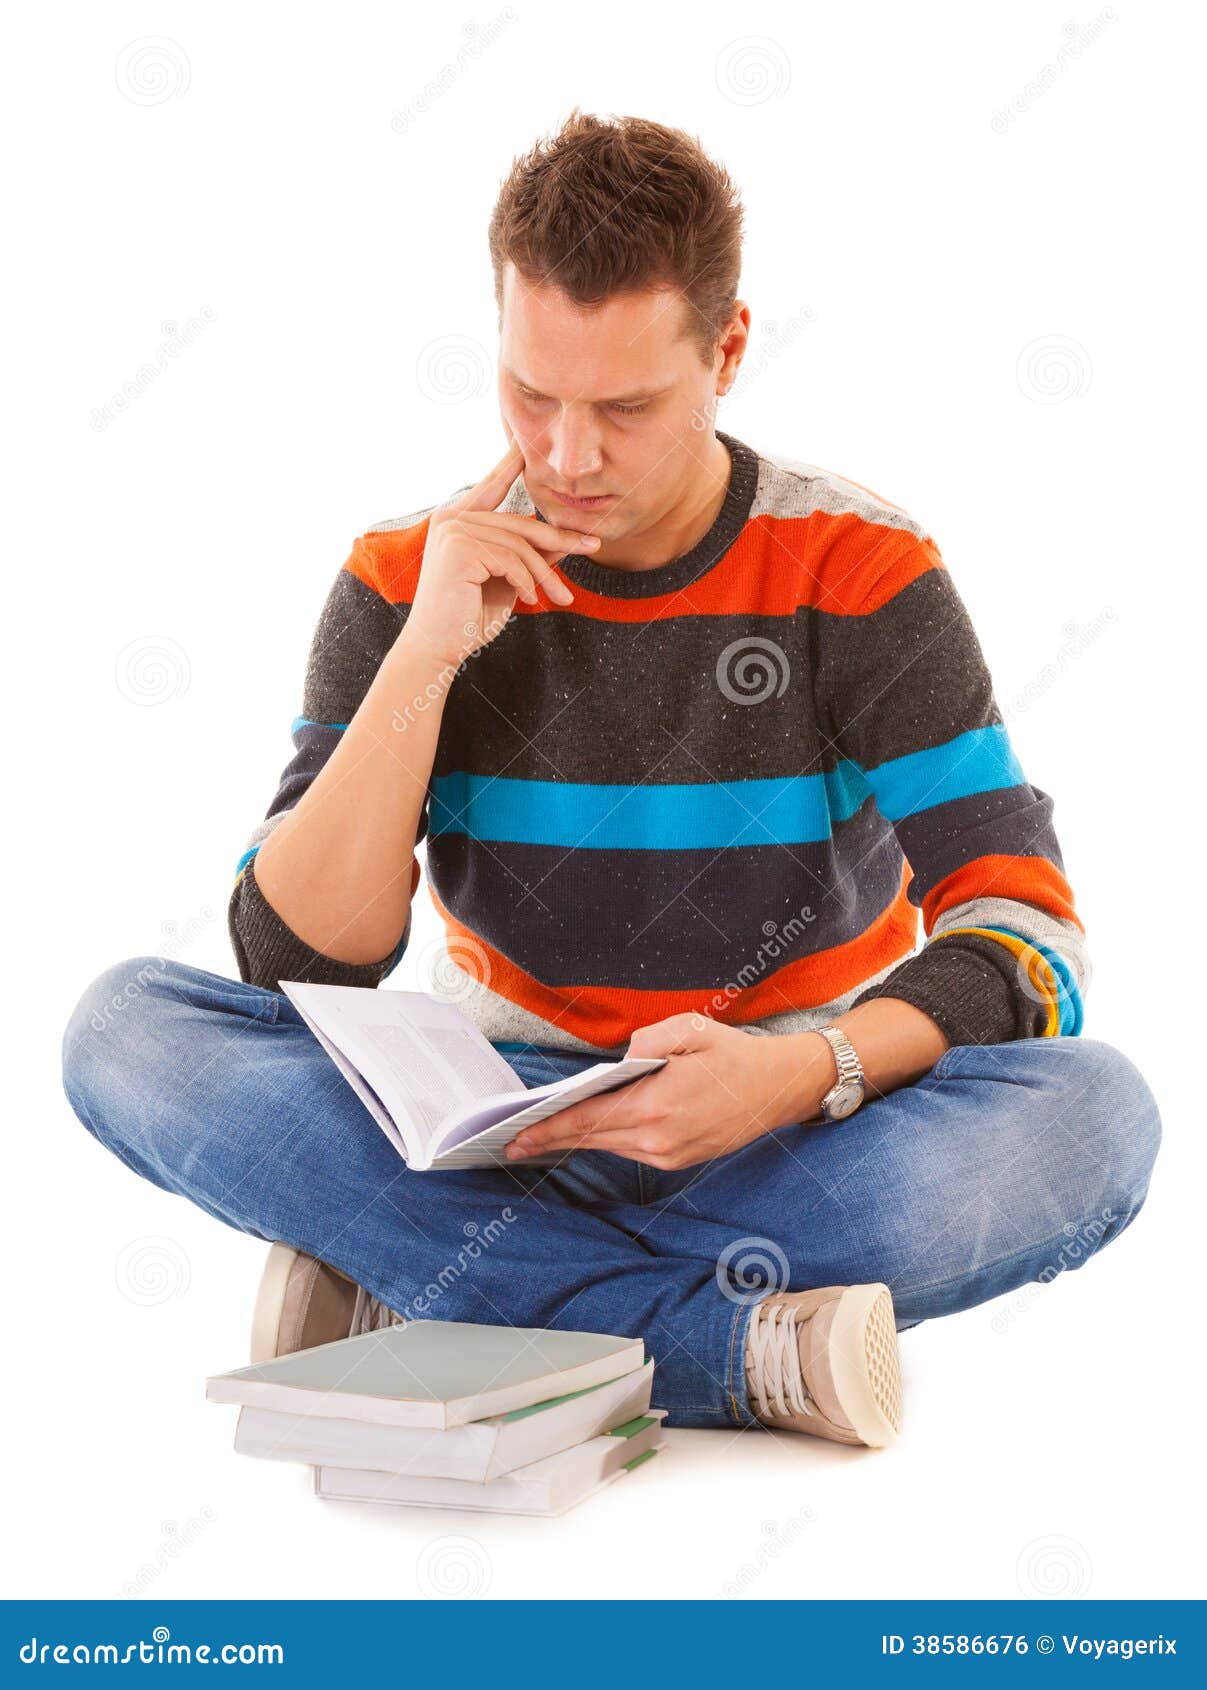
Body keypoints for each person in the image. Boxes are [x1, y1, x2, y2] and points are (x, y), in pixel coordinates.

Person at [61, 109, 1161, 1446]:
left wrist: (799, 1070)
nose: (568, 458)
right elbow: (301, 959)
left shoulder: (857, 571)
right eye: (533, 396)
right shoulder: (409, 578)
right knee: (124, 1029)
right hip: (491, 1134)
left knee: (1100, 1117)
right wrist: (428, 656)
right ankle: (724, 1342)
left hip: (791, 1127)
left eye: (625, 407)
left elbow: (1024, 928)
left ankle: (438, 1306)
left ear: (730, 350)